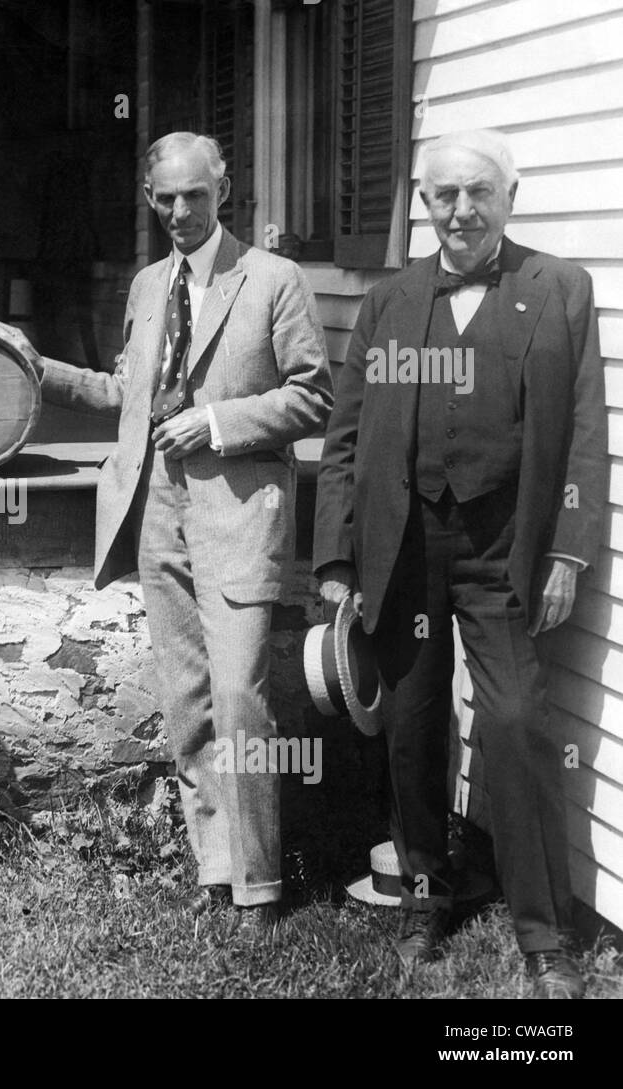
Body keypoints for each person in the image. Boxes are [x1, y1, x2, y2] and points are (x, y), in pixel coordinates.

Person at [0, 132, 332, 937]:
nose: (180, 212)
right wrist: (34, 363)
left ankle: (259, 883)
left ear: (225, 191)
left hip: (239, 516)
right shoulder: (149, 285)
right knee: (186, 702)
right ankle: (215, 865)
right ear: (150, 202)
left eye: (195, 196)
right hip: (157, 514)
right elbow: (129, 391)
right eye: (165, 200)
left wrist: (217, 423)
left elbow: (315, 396)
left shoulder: (274, 278)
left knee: (241, 696)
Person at [313, 129, 607, 998]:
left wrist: (566, 548)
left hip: (501, 549)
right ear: (423, 204)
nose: (462, 210)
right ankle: (424, 894)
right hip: (403, 546)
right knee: (411, 726)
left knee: (516, 723)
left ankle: (543, 932)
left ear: (511, 195)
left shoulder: (557, 289)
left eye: (479, 192)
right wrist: (335, 552)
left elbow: (586, 436)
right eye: (444, 195)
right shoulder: (390, 302)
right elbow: (346, 438)